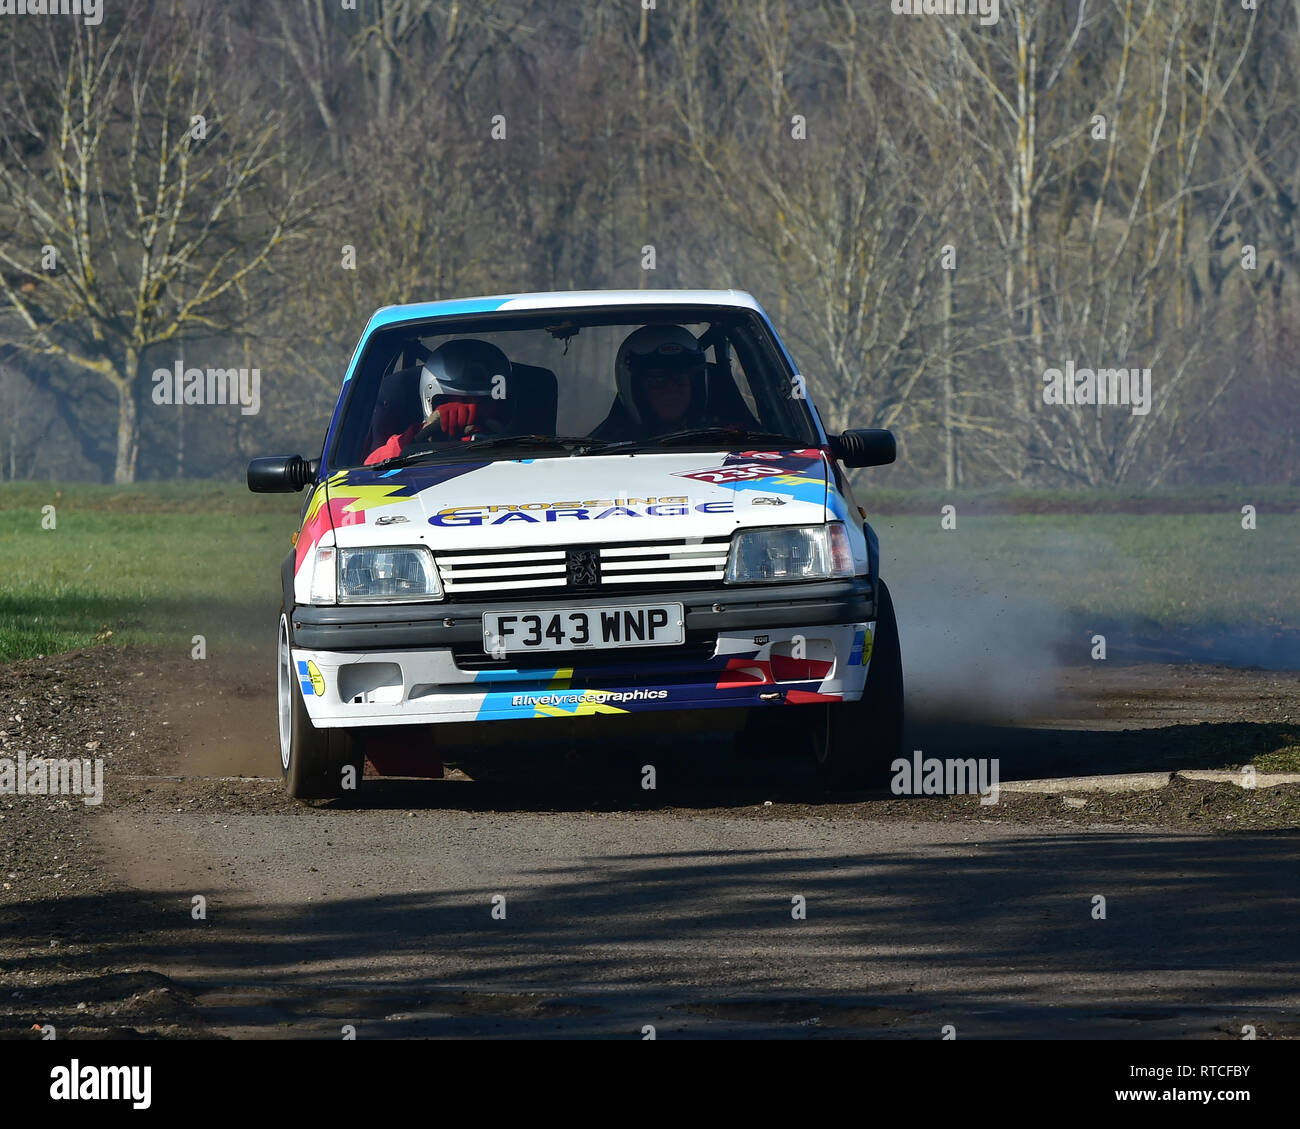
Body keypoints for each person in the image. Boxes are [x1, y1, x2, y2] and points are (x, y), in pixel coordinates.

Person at [364, 339, 514, 465]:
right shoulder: (407, 440)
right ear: (433, 401)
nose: (471, 409)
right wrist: (422, 435)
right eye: (460, 400)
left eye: (483, 402)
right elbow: (370, 468)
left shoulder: (525, 441)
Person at [590, 324, 709, 442]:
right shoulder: (603, 451)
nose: (671, 387)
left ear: (695, 386)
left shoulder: (721, 442)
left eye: (680, 377)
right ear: (638, 390)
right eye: (658, 379)